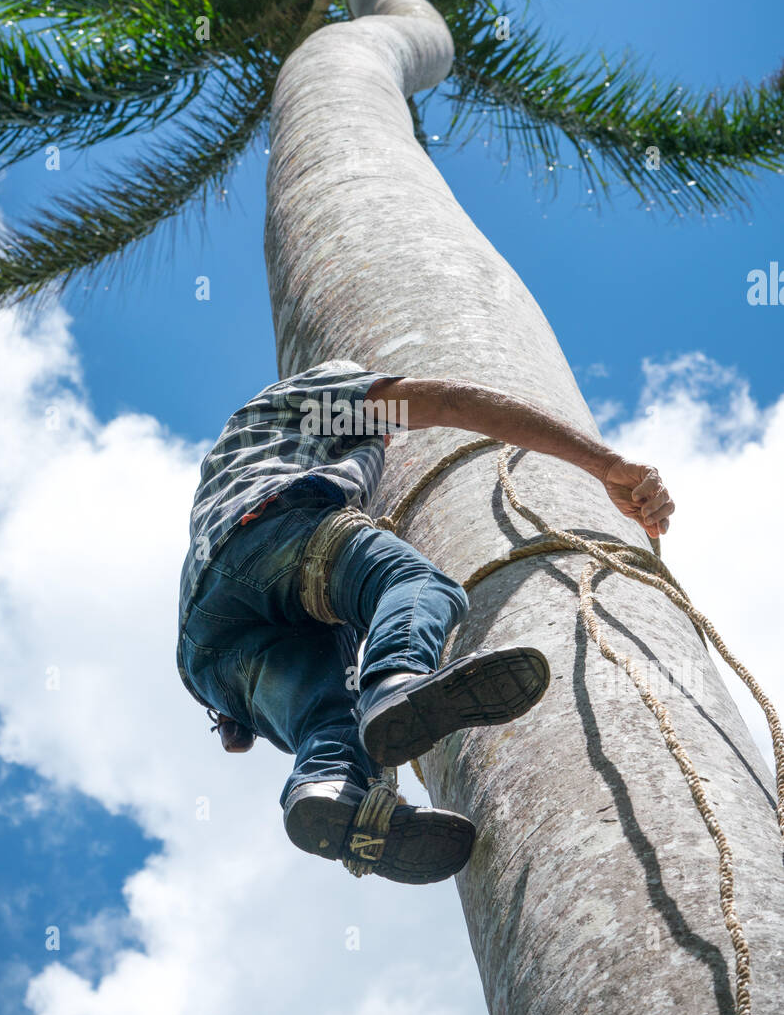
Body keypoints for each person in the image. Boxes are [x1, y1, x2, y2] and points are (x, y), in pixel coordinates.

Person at [176, 360, 675, 885]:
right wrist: (608, 465)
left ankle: (331, 795)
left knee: (330, 725)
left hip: (210, 645)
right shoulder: (321, 404)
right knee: (416, 587)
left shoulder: (232, 457)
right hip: (275, 530)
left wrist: (242, 714)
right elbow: (448, 402)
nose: (387, 440)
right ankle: (397, 682)